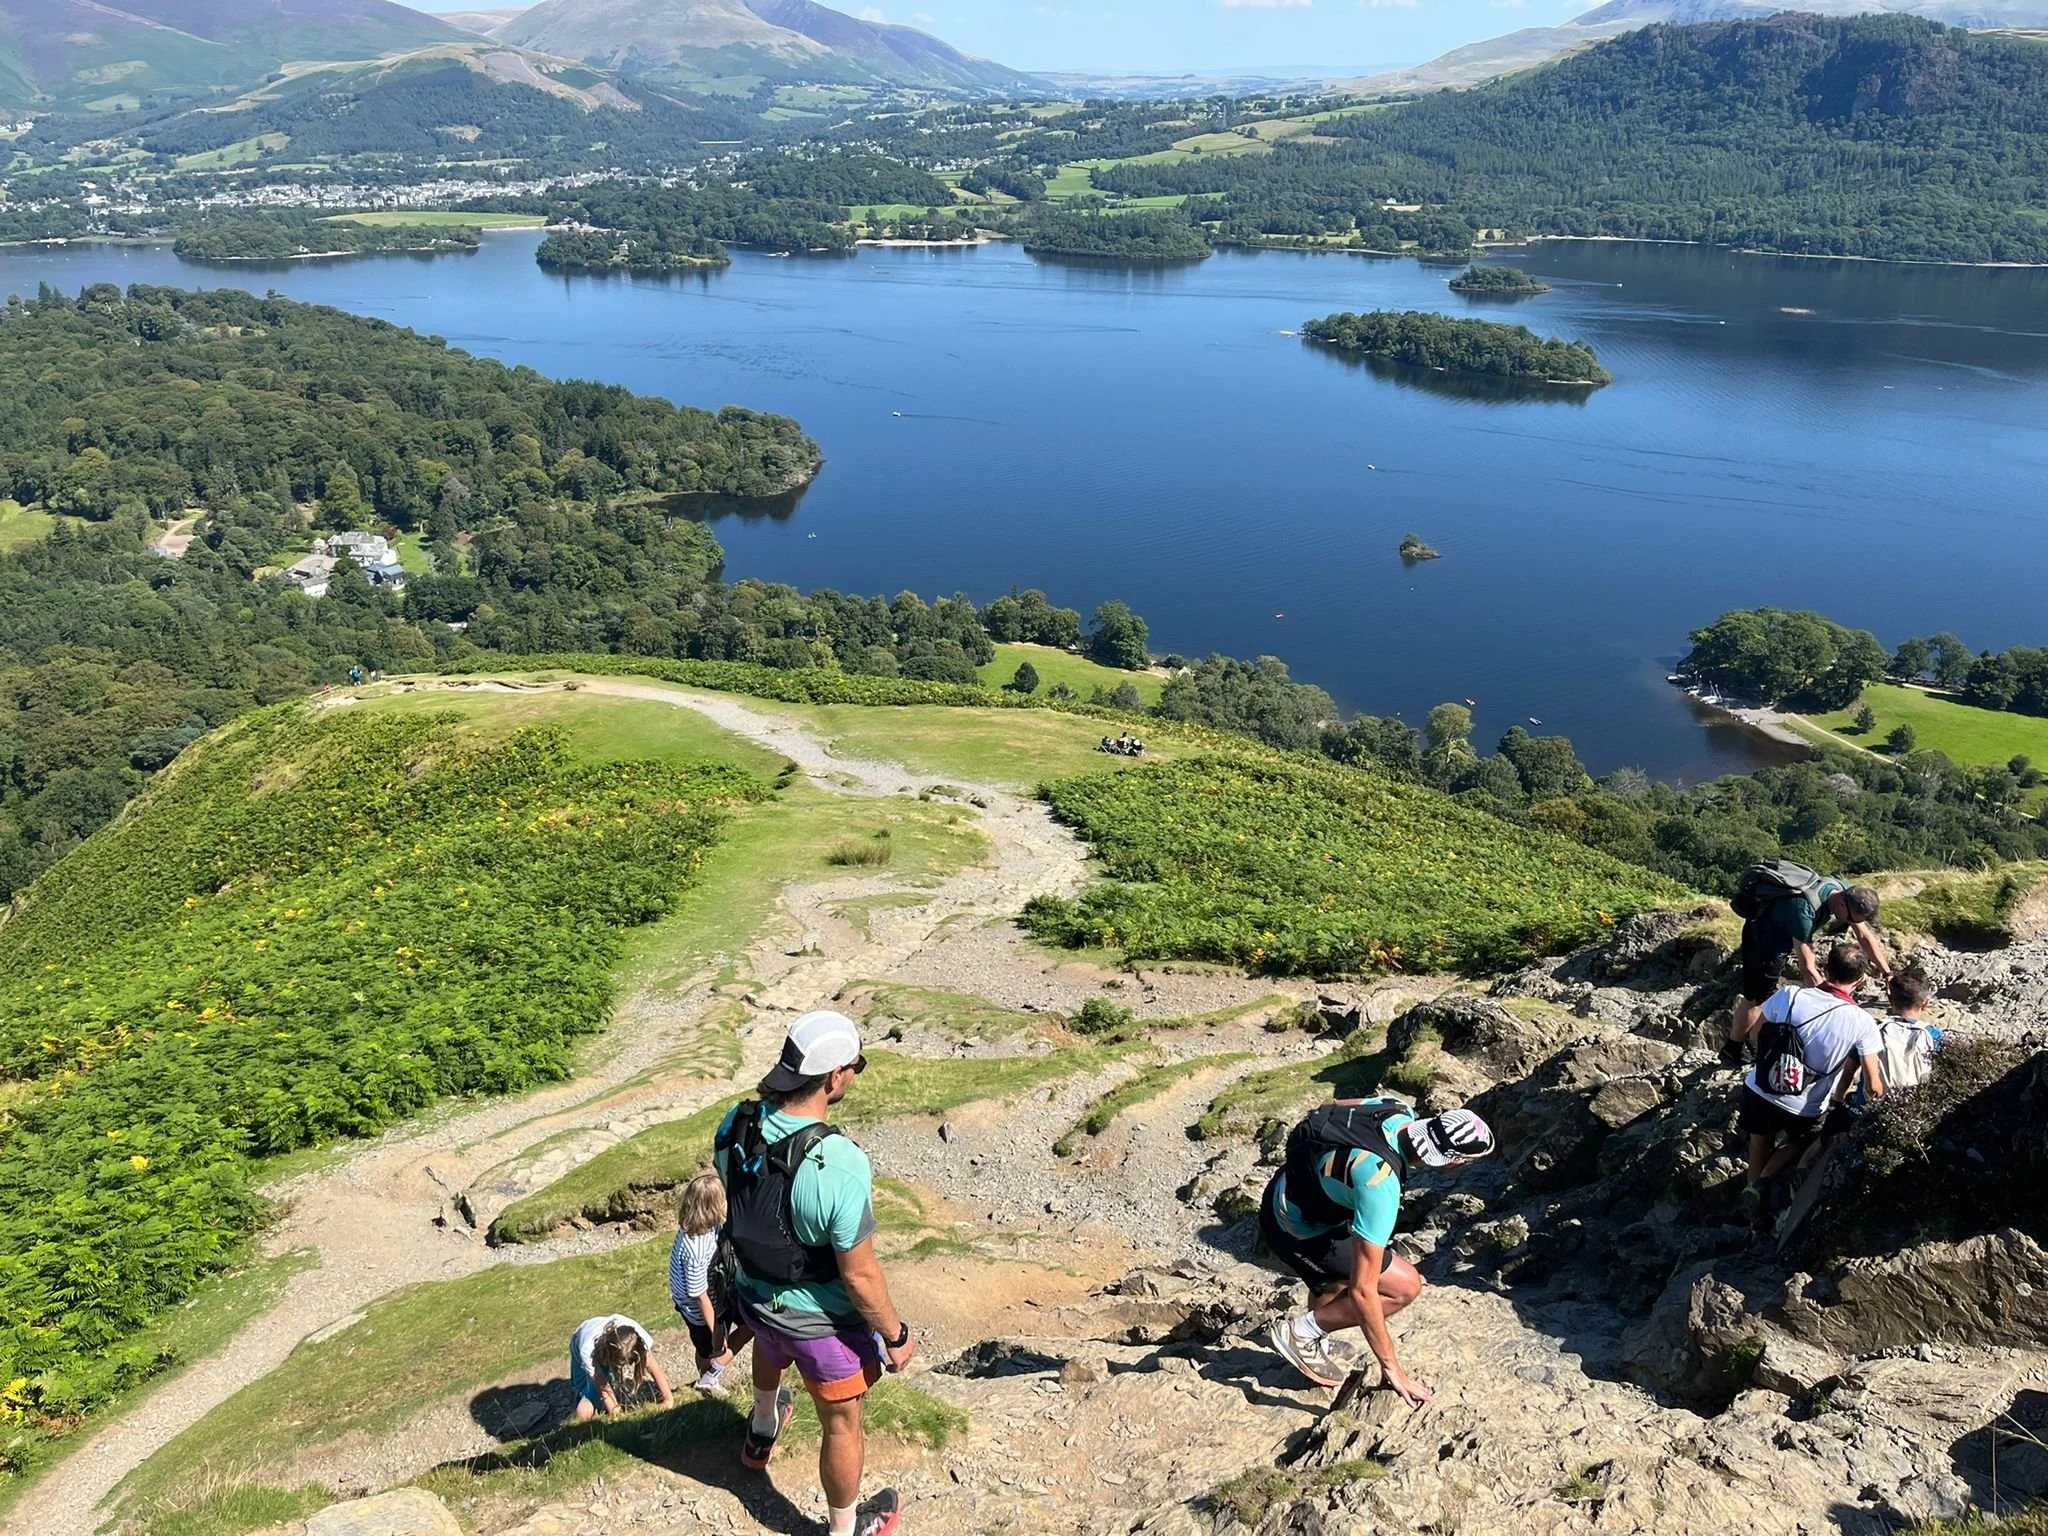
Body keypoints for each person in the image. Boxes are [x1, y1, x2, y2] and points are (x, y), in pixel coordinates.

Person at [715, 1010, 913, 1536]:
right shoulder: (838, 1160)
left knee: (771, 1344)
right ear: (834, 1077)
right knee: (843, 1424)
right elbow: (860, 1276)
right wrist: (896, 1335)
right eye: (856, 1065)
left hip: (753, 1300)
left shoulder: (734, 1122)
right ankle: (846, 1530)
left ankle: (761, 1431)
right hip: (820, 1324)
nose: (854, 1074)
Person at [1260, 1096, 1495, 1405]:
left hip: (1289, 1188)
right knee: (1403, 1286)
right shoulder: (1380, 1186)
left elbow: (1330, 1106)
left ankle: (1313, 1334)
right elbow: (1363, 1292)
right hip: (1297, 1230)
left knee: (1339, 1277)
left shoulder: (1394, 1108)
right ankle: (1301, 1333)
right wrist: (1392, 1366)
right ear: (1454, 1160)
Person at [1731, 942, 1886, 1209]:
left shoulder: (1790, 995)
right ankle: (1764, 1185)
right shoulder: (1863, 1022)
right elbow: (1873, 1084)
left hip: (1760, 1086)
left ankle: (1751, 1194)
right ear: (1860, 981)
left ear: (1824, 969)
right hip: (1805, 1105)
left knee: (1760, 1141)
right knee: (1804, 1139)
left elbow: (1756, 1035)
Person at [1728, 864, 1891, 1060]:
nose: (1849, 922)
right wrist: (1832, 1005)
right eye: (1849, 918)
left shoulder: (1844, 892)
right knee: (1759, 997)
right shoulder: (1803, 910)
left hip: (1783, 932)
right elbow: (1807, 967)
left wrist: (1887, 972)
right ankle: (1734, 1049)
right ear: (1842, 903)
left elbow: (1864, 936)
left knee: (1765, 996)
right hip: (1764, 939)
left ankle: (1749, 1044)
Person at [670, 1171, 751, 1391]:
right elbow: (698, 1293)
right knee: (711, 1347)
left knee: (747, 1327)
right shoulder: (695, 1246)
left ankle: (707, 1377)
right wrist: (715, 1329)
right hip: (700, 1310)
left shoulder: (702, 1227)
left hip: (718, 1295)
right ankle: (708, 1377)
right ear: (713, 1206)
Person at [568, 1314, 673, 1422]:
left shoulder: (637, 1335)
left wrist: (668, 1399)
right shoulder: (587, 1351)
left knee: (605, 1381)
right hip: (579, 1340)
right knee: (583, 1391)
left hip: (602, 1342)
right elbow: (604, 1389)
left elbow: (653, 1366)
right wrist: (618, 1416)